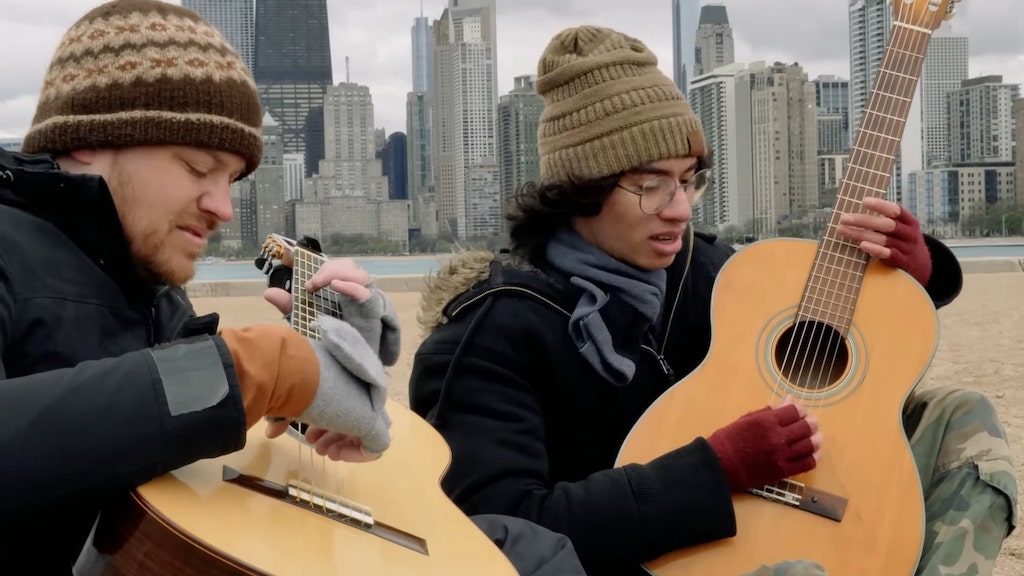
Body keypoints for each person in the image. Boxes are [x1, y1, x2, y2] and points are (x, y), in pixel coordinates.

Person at [408, 25, 1018, 576]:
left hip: (766, 513)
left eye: (689, 180)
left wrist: (919, 266)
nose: (679, 209)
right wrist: (715, 468)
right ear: (579, 189)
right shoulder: (490, 332)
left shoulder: (710, 272)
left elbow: (833, 321)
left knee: (959, 417)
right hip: (637, 562)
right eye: (651, 185)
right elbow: (497, 530)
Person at [0, 1, 396, 572]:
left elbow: (164, 431)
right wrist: (259, 369)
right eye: (196, 168)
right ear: (87, 137)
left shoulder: (152, 290)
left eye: (232, 180)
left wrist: (322, 379)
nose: (223, 208)